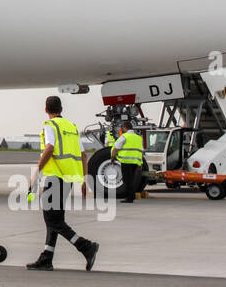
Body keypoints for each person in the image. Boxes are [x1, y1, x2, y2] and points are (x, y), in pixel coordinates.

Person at [26, 95, 98, 271]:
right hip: (68, 180)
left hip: (54, 178)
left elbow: (49, 147)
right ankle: (47, 258)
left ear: (46, 110)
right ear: (61, 109)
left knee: (52, 219)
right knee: (55, 219)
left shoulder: (50, 125)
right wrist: (82, 180)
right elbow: (83, 155)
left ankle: (86, 247)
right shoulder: (72, 128)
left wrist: (38, 169)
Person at [110, 125, 144, 204]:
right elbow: (141, 151)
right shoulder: (138, 138)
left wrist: (113, 157)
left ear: (125, 128)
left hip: (126, 161)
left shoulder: (124, 137)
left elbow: (116, 148)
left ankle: (130, 198)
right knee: (131, 180)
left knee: (127, 180)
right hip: (135, 162)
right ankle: (131, 196)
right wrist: (140, 163)